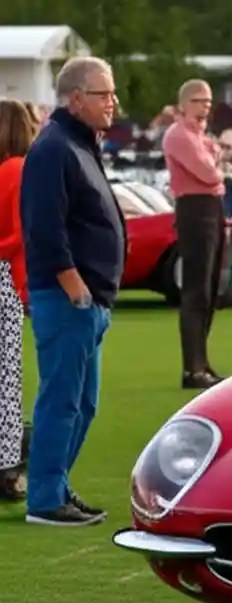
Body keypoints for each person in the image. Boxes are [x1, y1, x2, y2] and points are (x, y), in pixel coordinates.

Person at [20, 56, 125, 526]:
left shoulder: (79, 143)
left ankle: (56, 486)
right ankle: (44, 499)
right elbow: (43, 227)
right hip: (68, 299)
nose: (113, 103)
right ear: (76, 98)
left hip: (89, 300)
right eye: (104, 94)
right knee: (61, 400)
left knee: (83, 403)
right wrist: (74, 285)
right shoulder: (54, 149)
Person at [162, 79, 225, 389]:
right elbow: (209, 173)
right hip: (194, 209)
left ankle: (202, 362)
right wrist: (218, 164)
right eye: (200, 100)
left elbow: (215, 171)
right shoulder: (179, 136)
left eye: (209, 101)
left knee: (211, 288)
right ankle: (192, 368)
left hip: (211, 207)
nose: (205, 106)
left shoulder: (200, 136)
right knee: (196, 289)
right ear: (185, 104)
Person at [0, 99, 38, 502]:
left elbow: (15, 234)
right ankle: (9, 468)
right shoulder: (17, 170)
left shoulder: (10, 170)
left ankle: (9, 468)